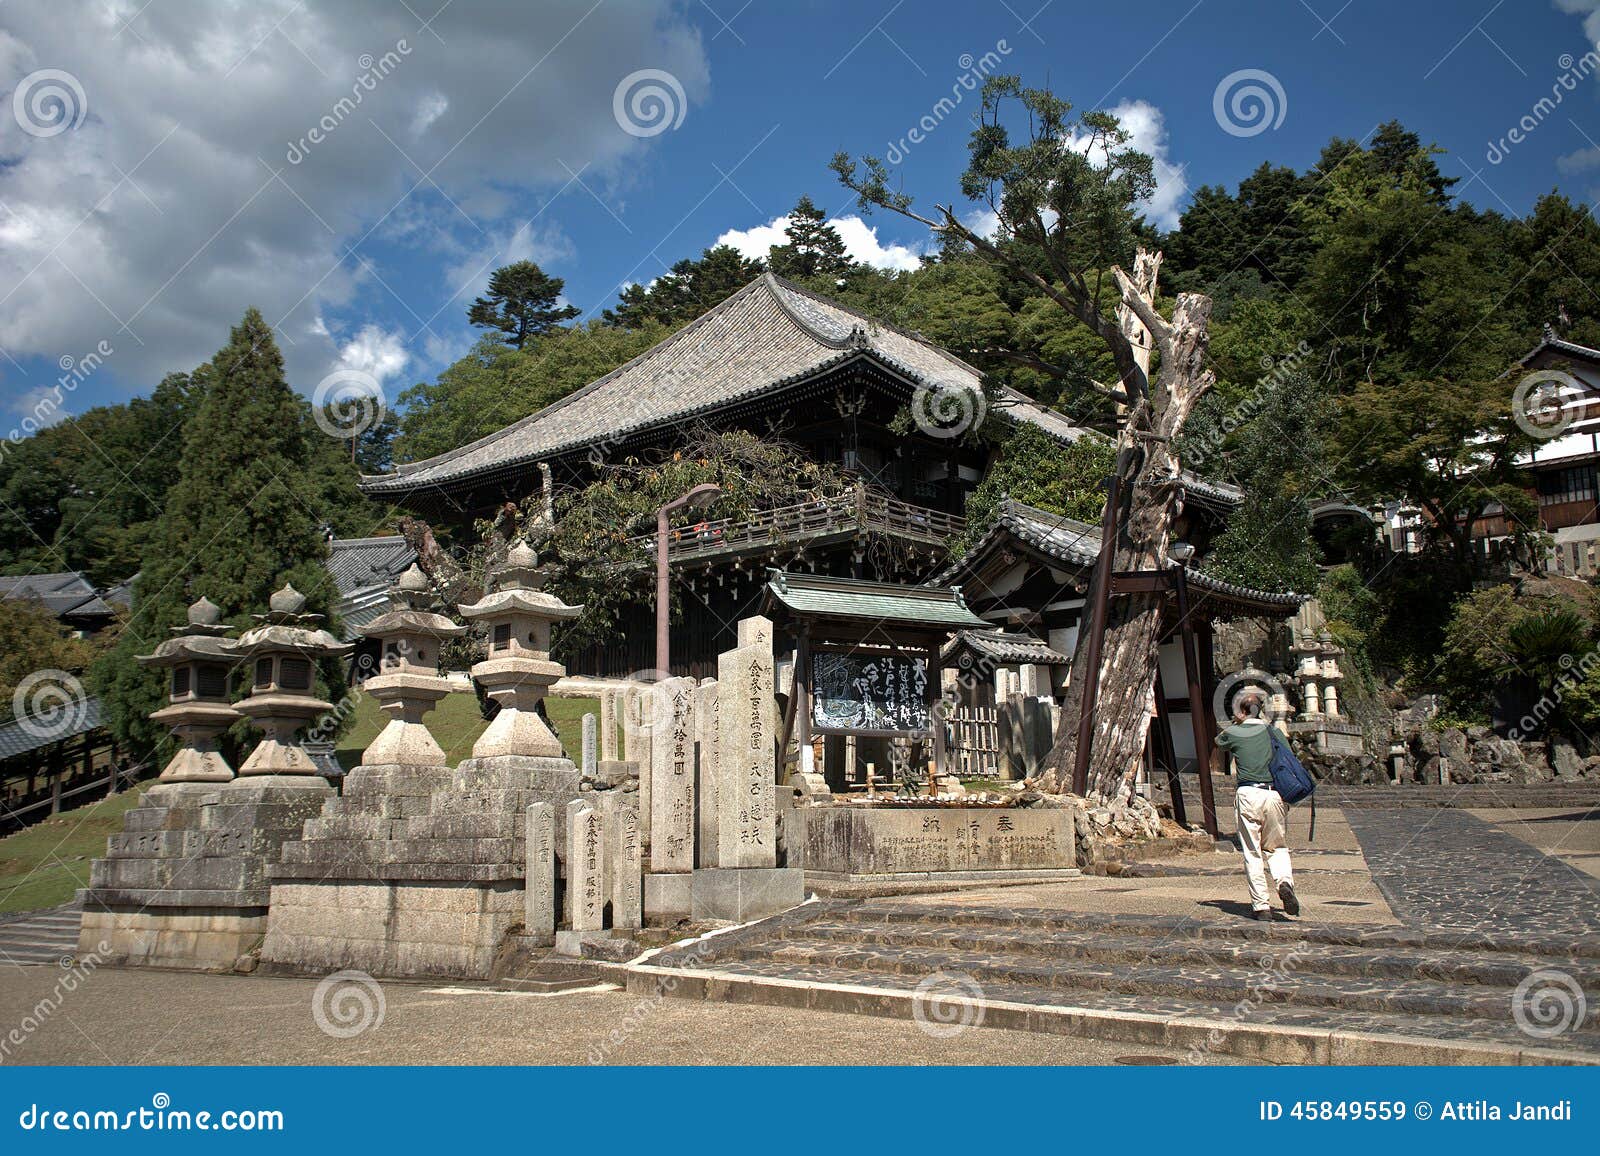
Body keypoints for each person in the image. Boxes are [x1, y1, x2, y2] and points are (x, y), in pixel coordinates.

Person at [1211, 691, 1299, 921]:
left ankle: (1261, 906)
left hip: (1248, 792)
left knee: (1252, 850)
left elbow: (1218, 742)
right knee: (1277, 846)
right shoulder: (1274, 732)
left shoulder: (1235, 732)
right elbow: (1288, 757)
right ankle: (1284, 882)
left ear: (1241, 711)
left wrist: (1236, 722)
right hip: (1273, 794)